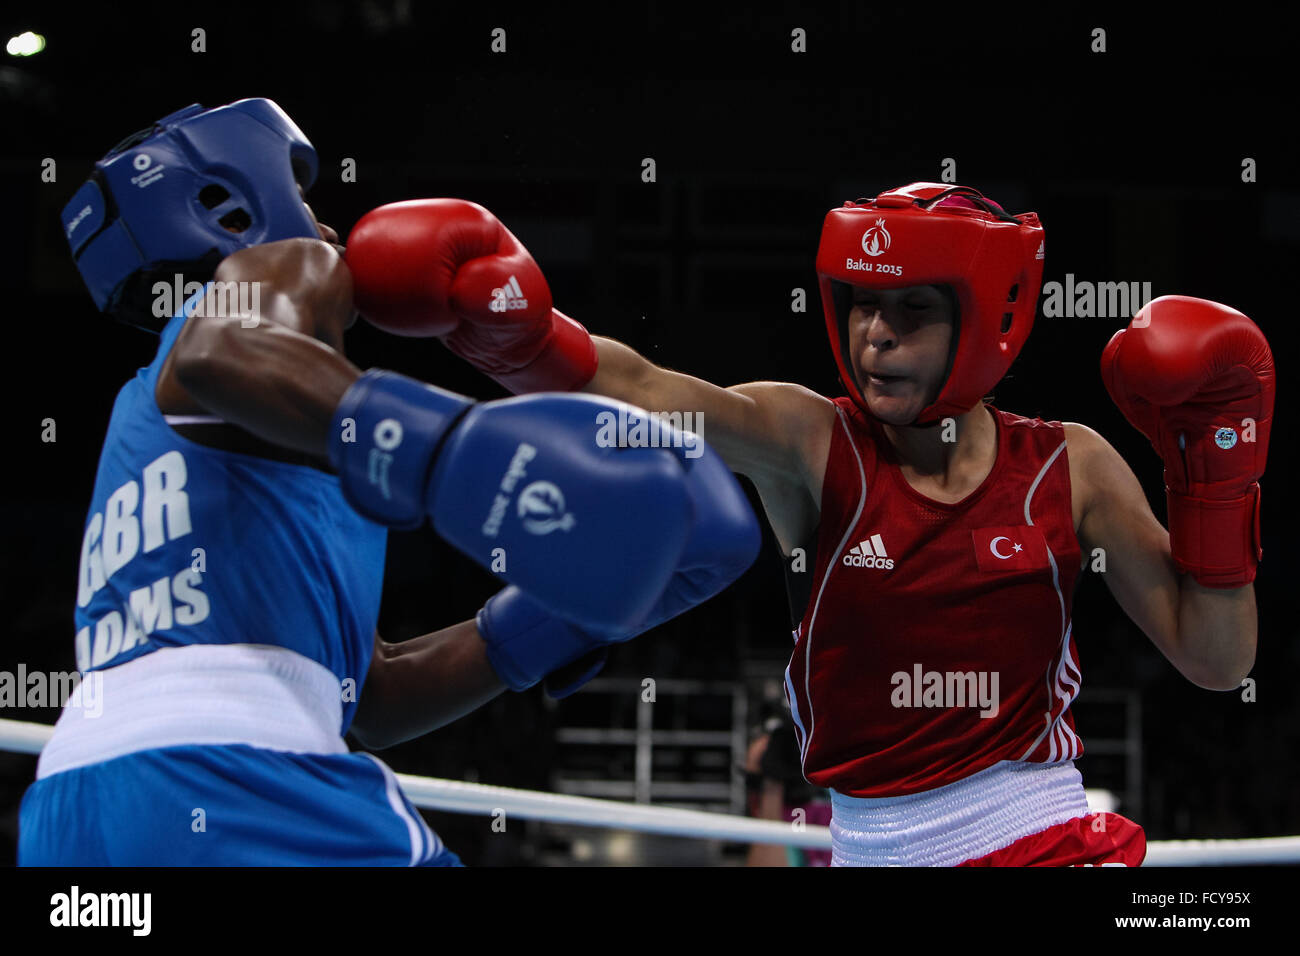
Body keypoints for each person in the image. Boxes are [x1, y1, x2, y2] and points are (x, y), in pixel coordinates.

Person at [345, 183, 1274, 866]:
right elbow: (645, 394)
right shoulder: (811, 440)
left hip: (1040, 837)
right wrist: (512, 335)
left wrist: (1216, 480)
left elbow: (1218, 659)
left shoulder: (1072, 466)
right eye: (863, 303)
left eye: (913, 309)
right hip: (861, 846)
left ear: (990, 317)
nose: (876, 334)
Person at [18, 99, 759, 866]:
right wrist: (447, 453)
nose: (330, 231)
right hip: (230, 775)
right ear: (228, 212)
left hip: (75, 807)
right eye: (304, 201)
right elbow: (224, 351)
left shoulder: (155, 422)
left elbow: (371, 700)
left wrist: (555, 623)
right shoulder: (272, 275)